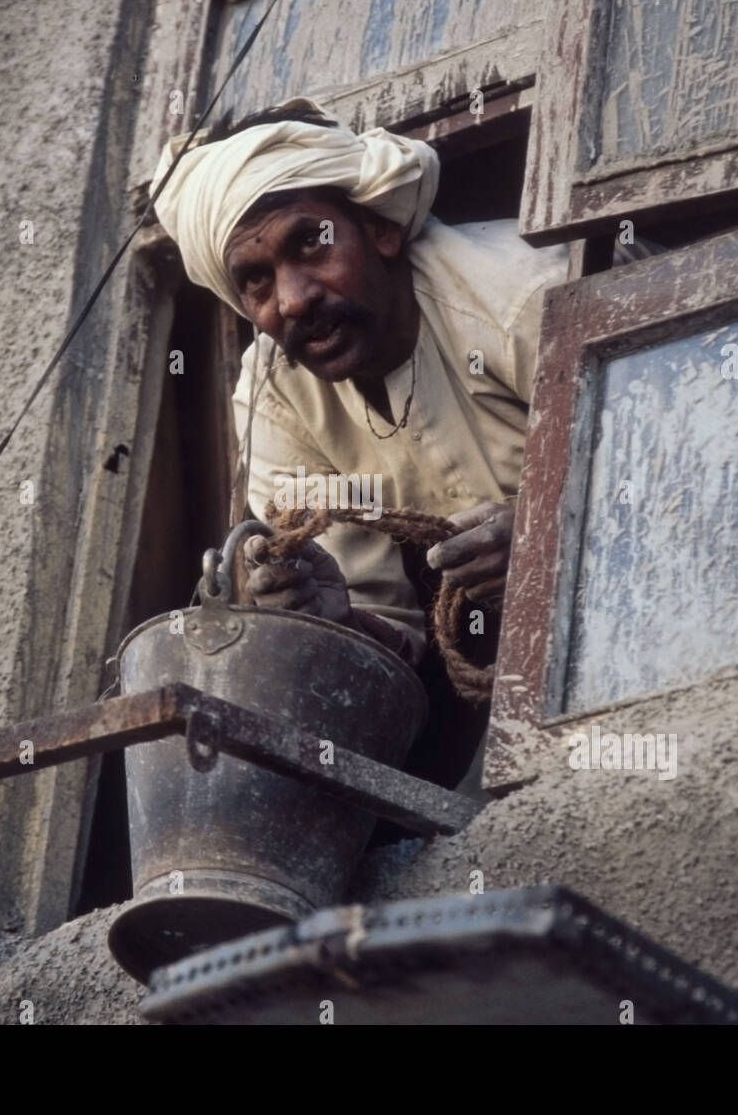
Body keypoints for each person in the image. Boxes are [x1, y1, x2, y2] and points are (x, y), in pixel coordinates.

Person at [150, 97, 569, 787]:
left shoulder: (522, 298)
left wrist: (548, 531)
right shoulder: (277, 393)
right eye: (255, 279)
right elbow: (381, 622)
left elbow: (692, 457)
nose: (292, 298)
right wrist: (332, 617)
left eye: (310, 242)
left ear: (379, 228)